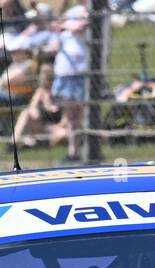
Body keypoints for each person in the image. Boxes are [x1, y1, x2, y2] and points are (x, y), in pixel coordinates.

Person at [47, 4, 88, 160]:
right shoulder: (71, 12)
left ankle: (87, 149)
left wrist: (62, 25)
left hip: (80, 72)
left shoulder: (91, 9)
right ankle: (73, 152)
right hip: (64, 72)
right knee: (70, 116)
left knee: (81, 114)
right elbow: (54, 32)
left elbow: (82, 25)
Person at [12, 63, 63, 148]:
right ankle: (14, 142)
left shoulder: (59, 93)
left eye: (50, 78)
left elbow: (65, 117)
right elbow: (32, 108)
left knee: (62, 134)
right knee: (25, 113)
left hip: (56, 126)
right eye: (45, 77)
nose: (47, 80)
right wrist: (36, 111)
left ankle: (38, 143)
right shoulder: (40, 92)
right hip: (42, 125)